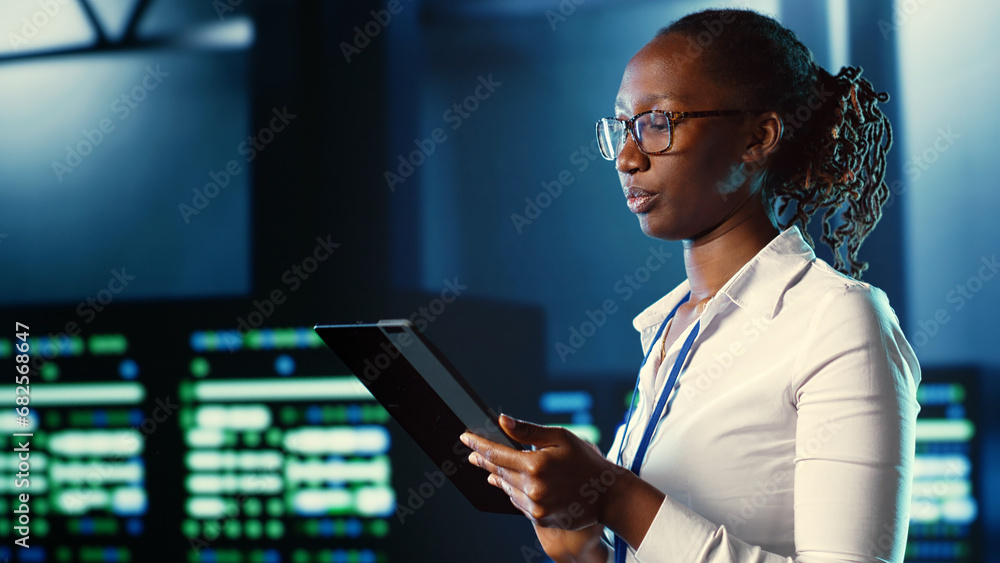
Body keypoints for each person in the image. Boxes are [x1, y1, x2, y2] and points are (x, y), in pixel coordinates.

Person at [459, 7, 921, 563]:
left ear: (758, 138)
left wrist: (614, 494)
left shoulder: (839, 322)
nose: (628, 158)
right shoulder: (669, 330)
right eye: (623, 127)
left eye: (658, 122)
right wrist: (585, 551)